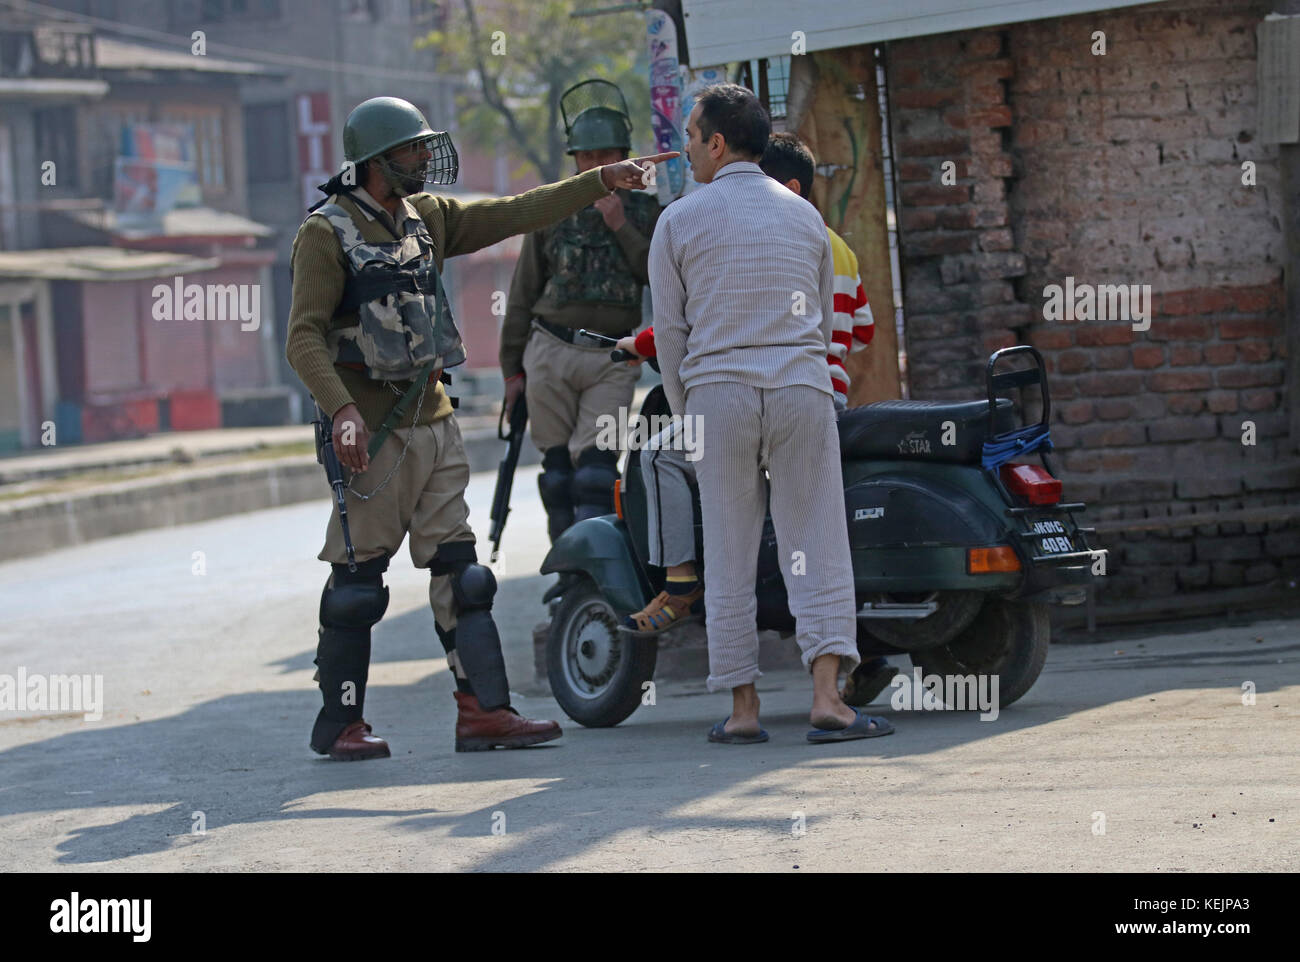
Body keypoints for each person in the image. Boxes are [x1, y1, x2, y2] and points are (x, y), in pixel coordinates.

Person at [286, 95, 674, 760]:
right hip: (371, 440)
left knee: (464, 576)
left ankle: (483, 712)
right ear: (379, 160)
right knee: (357, 586)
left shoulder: (426, 220)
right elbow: (303, 338)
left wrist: (598, 181)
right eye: (411, 150)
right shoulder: (326, 234)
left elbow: (514, 212)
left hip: (433, 423)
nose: (423, 159)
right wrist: (341, 409)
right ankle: (340, 723)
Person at [647, 84, 894, 744]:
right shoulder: (805, 218)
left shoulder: (678, 220)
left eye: (693, 139)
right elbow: (816, 321)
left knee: (727, 552)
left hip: (718, 395)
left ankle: (744, 709)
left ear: (717, 143)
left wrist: (686, 411)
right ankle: (827, 699)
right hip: (798, 390)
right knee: (818, 543)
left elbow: (669, 334)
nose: (689, 151)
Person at [500, 80, 661, 544]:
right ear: (574, 160)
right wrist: (512, 371)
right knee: (556, 477)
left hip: (612, 357)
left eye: (607, 155)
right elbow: (522, 292)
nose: (597, 166)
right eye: (588, 157)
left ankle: (598, 569)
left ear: (625, 156)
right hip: (549, 349)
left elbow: (656, 274)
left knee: (595, 470)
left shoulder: (647, 213)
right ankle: (568, 582)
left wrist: (620, 225)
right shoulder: (550, 209)